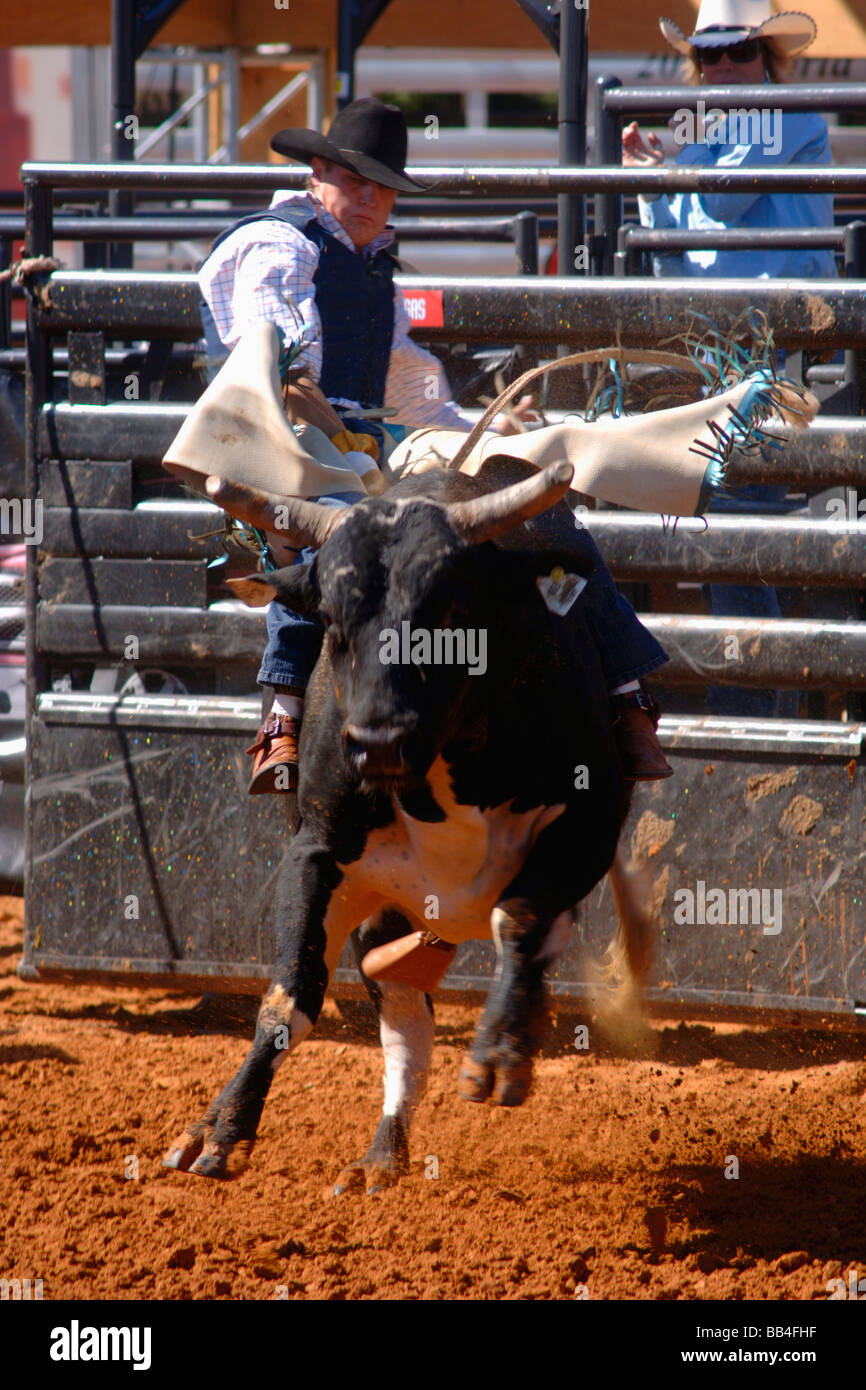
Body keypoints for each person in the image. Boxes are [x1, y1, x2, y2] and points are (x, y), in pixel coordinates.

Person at [192, 97, 676, 792]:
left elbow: (414, 390)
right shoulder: (276, 244)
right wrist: (343, 440)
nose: (370, 198)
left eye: (384, 187)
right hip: (273, 442)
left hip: (366, 440)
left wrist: (481, 430)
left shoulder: (374, 267)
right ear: (318, 173)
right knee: (333, 537)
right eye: (356, 180)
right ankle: (284, 715)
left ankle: (628, 693)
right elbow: (277, 370)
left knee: (538, 502)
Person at [622, 0, 833, 716]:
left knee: (734, 518)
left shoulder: (788, 119)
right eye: (710, 56)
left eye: (737, 53)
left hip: (776, 349)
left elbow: (726, 200)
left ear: (766, 58)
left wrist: (667, 169)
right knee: (725, 519)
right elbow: (673, 263)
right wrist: (659, 177)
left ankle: (747, 703)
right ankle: (761, 700)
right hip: (717, 350)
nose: (722, 67)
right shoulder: (711, 142)